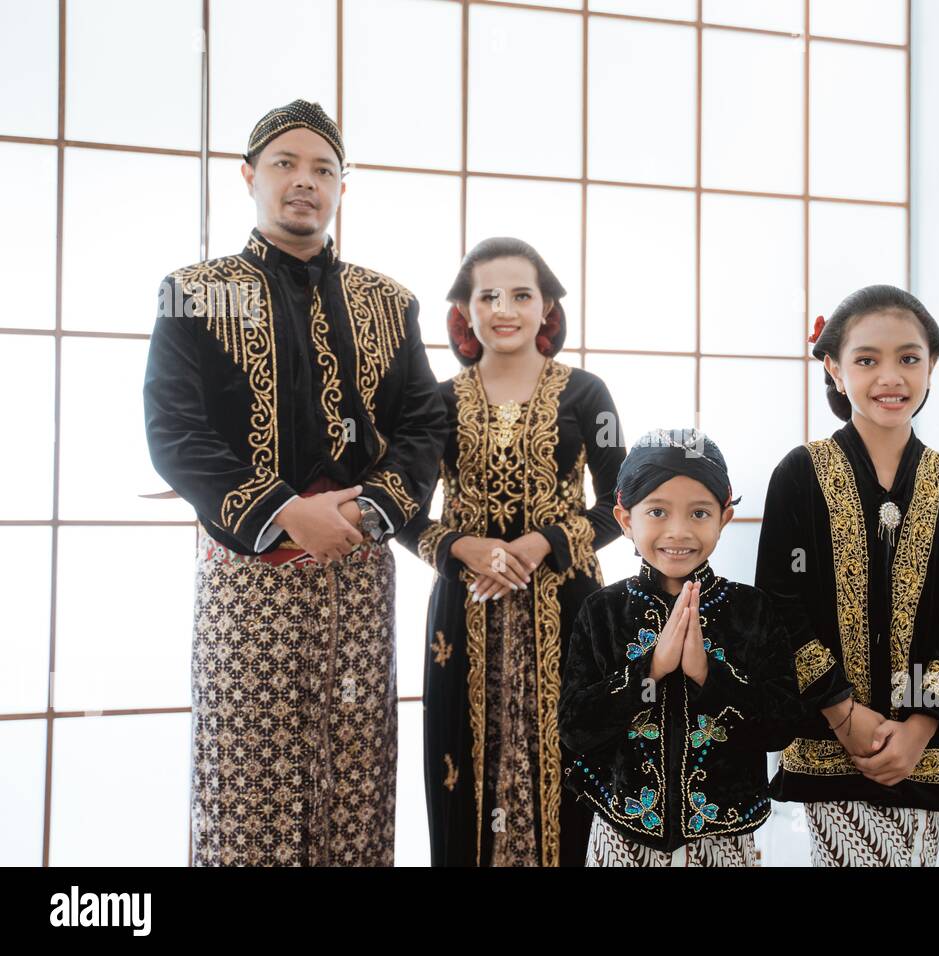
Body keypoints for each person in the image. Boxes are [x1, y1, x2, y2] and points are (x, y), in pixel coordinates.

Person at [143, 99, 446, 866]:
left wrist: (374, 509)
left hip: (359, 570)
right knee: (250, 788)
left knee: (354, 782)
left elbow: (423, 426)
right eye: (285, 164)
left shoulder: (392, 302)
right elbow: (174, 433)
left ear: (345, 186)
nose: (304, 181)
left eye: (323, 169)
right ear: (249, 177)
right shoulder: (193, 292)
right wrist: (282, 512)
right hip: (247, 582)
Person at [395, 237, 626, 866]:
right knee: (462, 772)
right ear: (464, 311)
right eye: (487, 295)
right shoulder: (436, 402)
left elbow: (622, 506)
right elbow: (403, 514)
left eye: (522, 294)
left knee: (570, 772)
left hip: (569, 610)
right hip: (463, 617)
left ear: (547, 306)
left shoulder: (587, 394)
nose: (505, 308)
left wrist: (537, 544)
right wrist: (465, 547)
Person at [755, 284, 939, 867]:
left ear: (932, 367)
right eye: (868, 360)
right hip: (829, 742)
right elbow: (780, 608)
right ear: (835, 369)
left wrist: (918, 731)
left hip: (923, 748)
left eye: (909, 358)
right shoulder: (799, 474)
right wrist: (844, 714)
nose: (891, 376)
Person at [558, 429, 846, 866]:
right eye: (657, 511)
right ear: (624, 519)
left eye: (699, 513)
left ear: (723, 518)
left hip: (725, 841)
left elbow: (782, 726)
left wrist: (708, 675)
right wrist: (650, 669)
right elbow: (575, 728)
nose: (678, 531)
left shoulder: (752, 609)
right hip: (621, 837)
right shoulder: (601, 611)